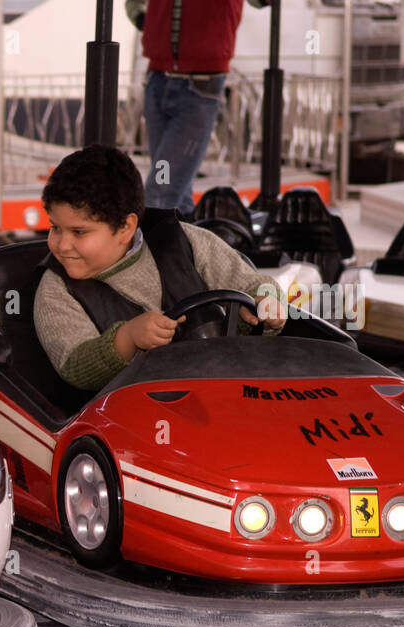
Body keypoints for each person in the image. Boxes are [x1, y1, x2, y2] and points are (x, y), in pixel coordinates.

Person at [34, 145, 284, 392]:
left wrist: (265, 303)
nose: (62, 245)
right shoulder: (57, 289)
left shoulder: (183, 240)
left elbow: (253, 283)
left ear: (125, 228)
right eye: (55, 227)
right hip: (128, 414)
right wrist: (128, 339)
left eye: (79, 232)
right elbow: (74, 367)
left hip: (223, 386)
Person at [127, 0, 266, 215]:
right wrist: (147, 21)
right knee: (173, 191)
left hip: (199, 85)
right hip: (158, 78)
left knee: (162, 186)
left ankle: (155, 246)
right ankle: (186, 243)